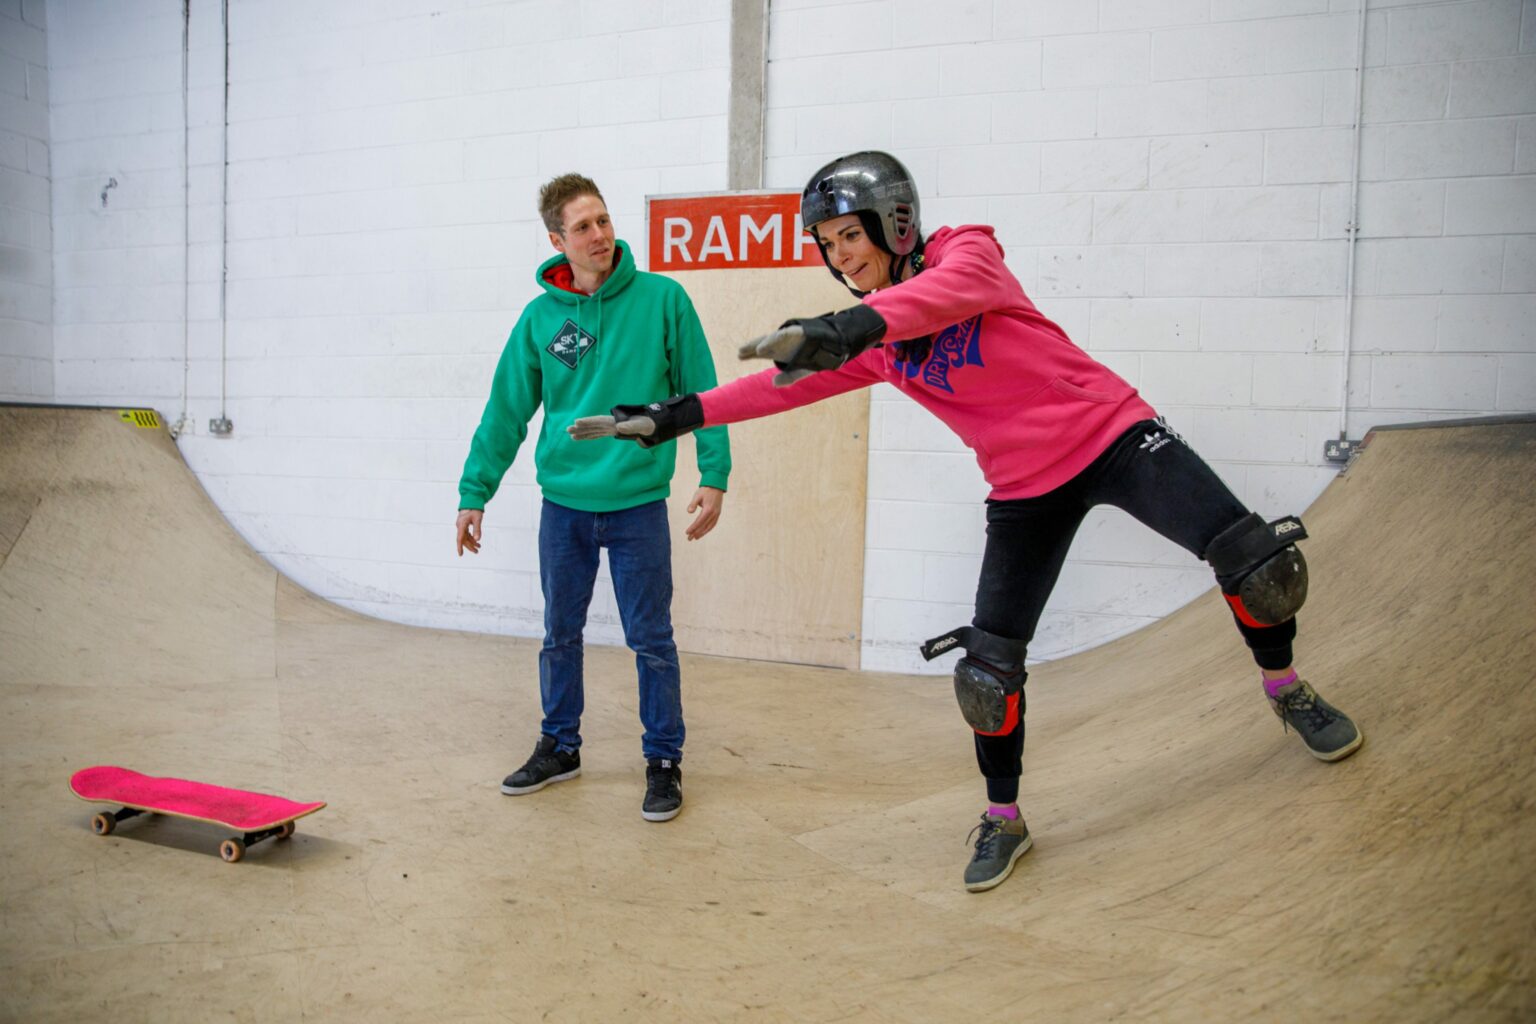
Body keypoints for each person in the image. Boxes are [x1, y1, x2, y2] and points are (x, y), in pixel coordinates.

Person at [569, 151, 1362, 886]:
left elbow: (936, 298)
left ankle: (1286, 688)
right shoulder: (880, 340)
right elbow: (777, 387)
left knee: (1257, 566)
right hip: (1023, 489)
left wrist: (843, 328)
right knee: (988, 673)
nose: (841, 256)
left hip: (1115, 436)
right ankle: (1003, 817)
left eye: (851, 235)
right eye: (828, 244)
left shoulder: (967, 252)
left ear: (897, 223)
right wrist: (673, 416)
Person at [457, 172, 730, 823]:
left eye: (604, 220)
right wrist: (476, 491)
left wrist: (714, 475)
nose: (600, 235)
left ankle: (663, 760)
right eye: (584, 226)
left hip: (637, 505)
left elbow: (703, 395)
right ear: (557, 239)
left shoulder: (664, 300)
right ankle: (560, 745)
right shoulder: (541, 320)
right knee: (559, 633)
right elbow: (506, 411)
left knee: (651, 639)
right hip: (565, 509)